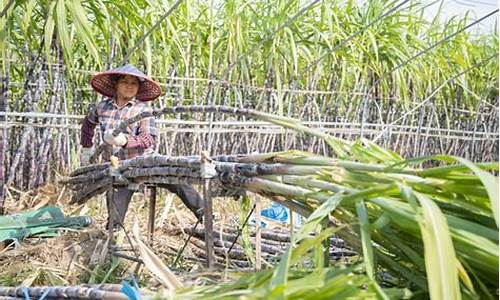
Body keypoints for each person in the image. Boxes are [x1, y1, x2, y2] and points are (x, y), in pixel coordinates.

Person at [79, 64, 203, 229]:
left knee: (177, 180)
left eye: (134, 83)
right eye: (125, 82)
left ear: (138, 88)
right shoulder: (102, 108)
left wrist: (125, 141)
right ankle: (114, 237)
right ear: (116, 84)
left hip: (144, 162)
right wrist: (86, 148)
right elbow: (87, 125)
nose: (129, 86)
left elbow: (148, 138)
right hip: (119, 167)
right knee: (115, 208)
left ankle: (207, 215)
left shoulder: (142, 110)